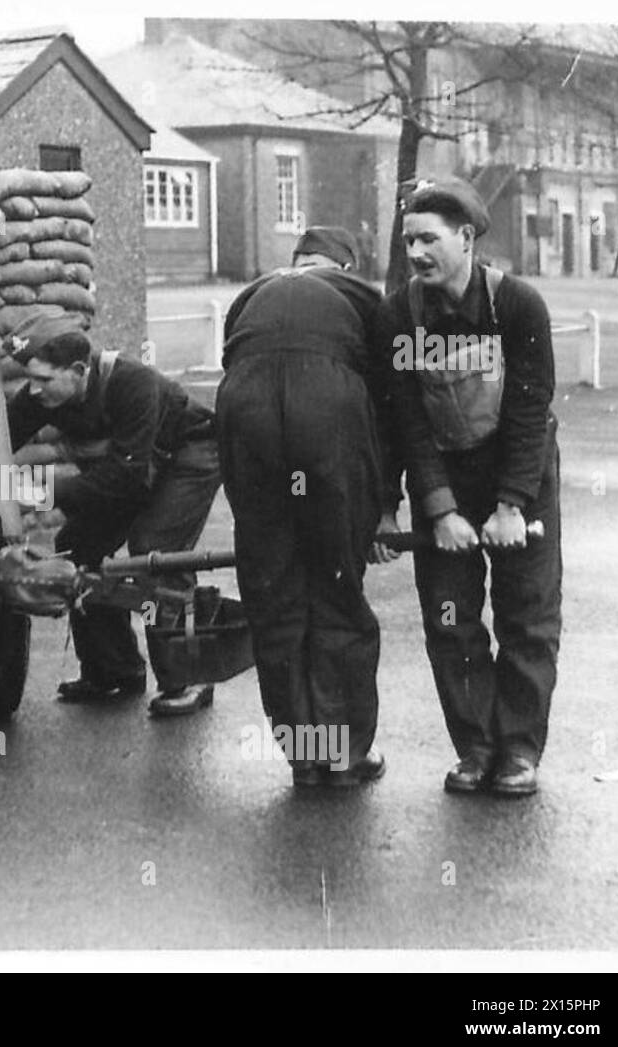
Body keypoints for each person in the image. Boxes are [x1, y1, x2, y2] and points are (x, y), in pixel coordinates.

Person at [374, 177, 562, 797]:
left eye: (429, 239)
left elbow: (531, 409)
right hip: (446, 475)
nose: (417, 253)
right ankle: (476, 747)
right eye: (408, 241)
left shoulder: (518, 306)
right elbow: (404, 417)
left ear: (467, 238)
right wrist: (440, 509)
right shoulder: (401, 313)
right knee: (450, 619)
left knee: (525, 617)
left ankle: (518, 750)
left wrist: (512, 504)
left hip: (520, 471)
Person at [215, 227, 394, 786]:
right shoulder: (361, 294)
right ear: (346, 265)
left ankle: (304, 756)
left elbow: (233, 359)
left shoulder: (255, 292)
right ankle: (345, 754)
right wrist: (385, 505)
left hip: (245, 403)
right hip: (327, 402)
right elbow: (390, 405)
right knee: (336, 583)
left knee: (273, 589)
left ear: (294, 263)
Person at [5, 310, 223, 716]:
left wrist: (40, 492)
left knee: (157, 550)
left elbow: (126, 477)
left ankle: (189, 677)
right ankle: (113, 671)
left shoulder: (132, 382)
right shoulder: (43, 398)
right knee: (77, 545)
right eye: (29, 379)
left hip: (190, 456)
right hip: (136, 466)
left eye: (43, 380)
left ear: (77, 370)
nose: (33, 391)